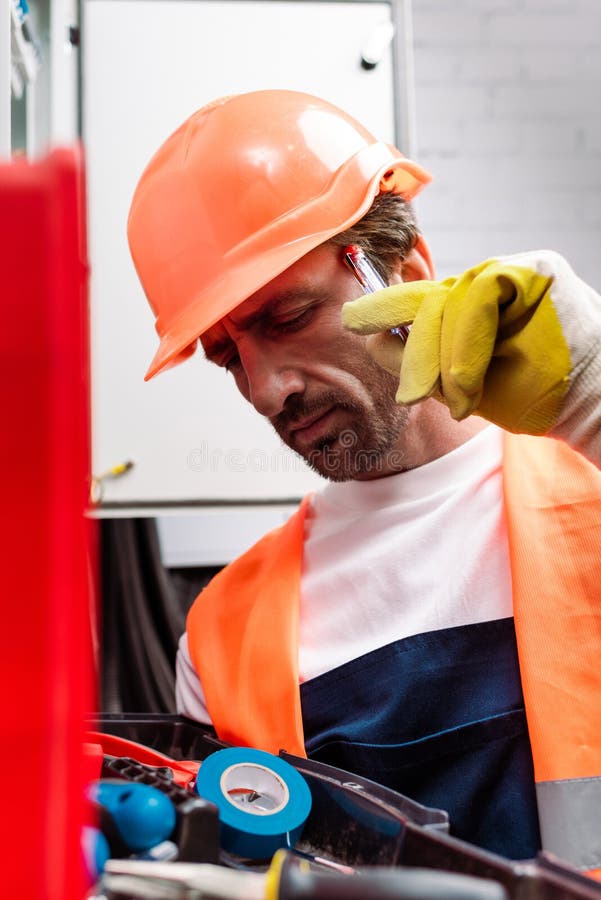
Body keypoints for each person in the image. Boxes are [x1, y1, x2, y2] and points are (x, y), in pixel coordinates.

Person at [127, 90, 601, 874]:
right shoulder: (220, 640)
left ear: (403, 269)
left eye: (285, 317)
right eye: (227, 355)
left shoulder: (587, 478)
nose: (264, 388)